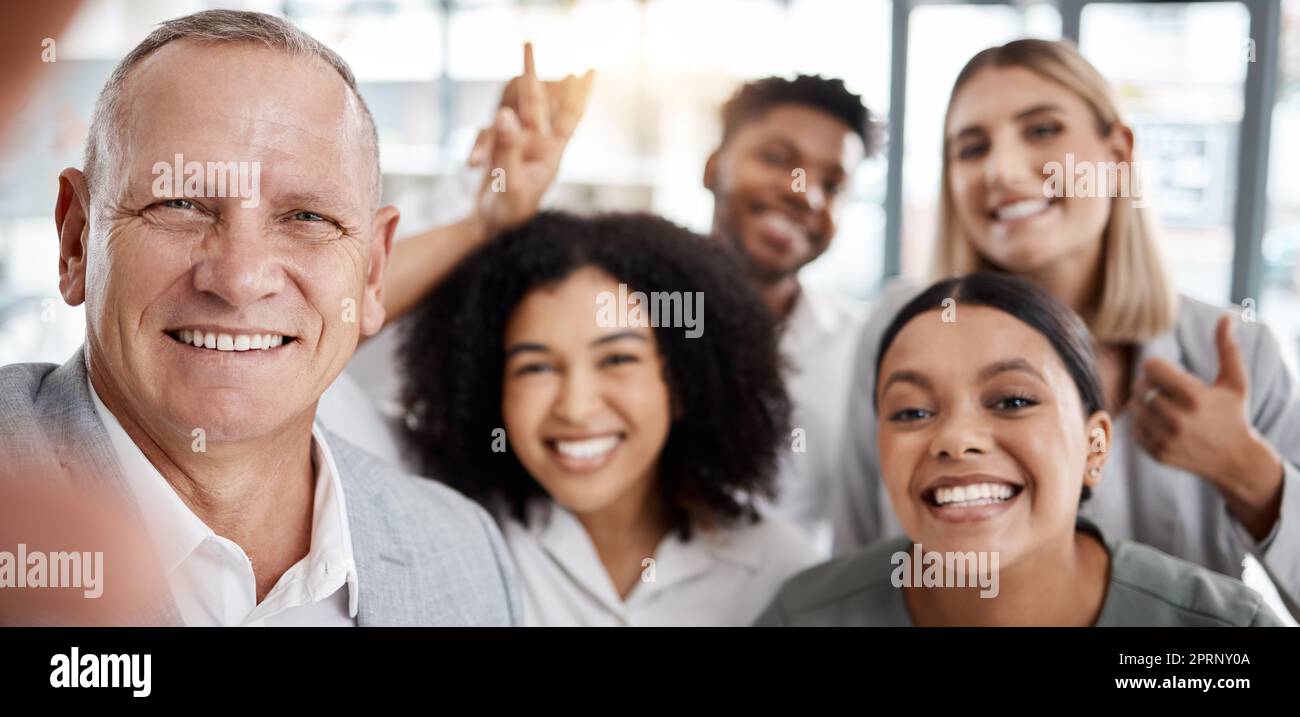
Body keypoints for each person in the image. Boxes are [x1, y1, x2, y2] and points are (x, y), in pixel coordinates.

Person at [0, 9, 519, 626]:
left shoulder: (465, 558)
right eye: (181, 203)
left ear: (374, 272)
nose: (240, 280)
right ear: (77, 242)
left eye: (307, 218)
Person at [833, 39, 1300, 616]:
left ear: (1119, 153)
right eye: (972, 147)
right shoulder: (895, 329)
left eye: (1042, 130)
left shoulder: (1235, 351)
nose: (1002, 170)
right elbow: (855, 574)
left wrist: (1250, 475)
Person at [759, 273, 1284, 626]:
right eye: (912, 412)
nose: (957, 439)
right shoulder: (804, 617)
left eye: (1012, 399)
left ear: (1094, 447)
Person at [398, 211, 817, 626]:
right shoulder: (445, 529)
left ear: (685, 382)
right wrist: (483, 223)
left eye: (617, 359)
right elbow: (333, 365)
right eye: (536, 367)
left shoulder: (778, 567)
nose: (576, 408)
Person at [701, 75, 883, 555]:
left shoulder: (861, 349)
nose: (806, 195)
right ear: (713, 168)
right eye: (776, 159)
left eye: (833, 183)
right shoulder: (630, 313)